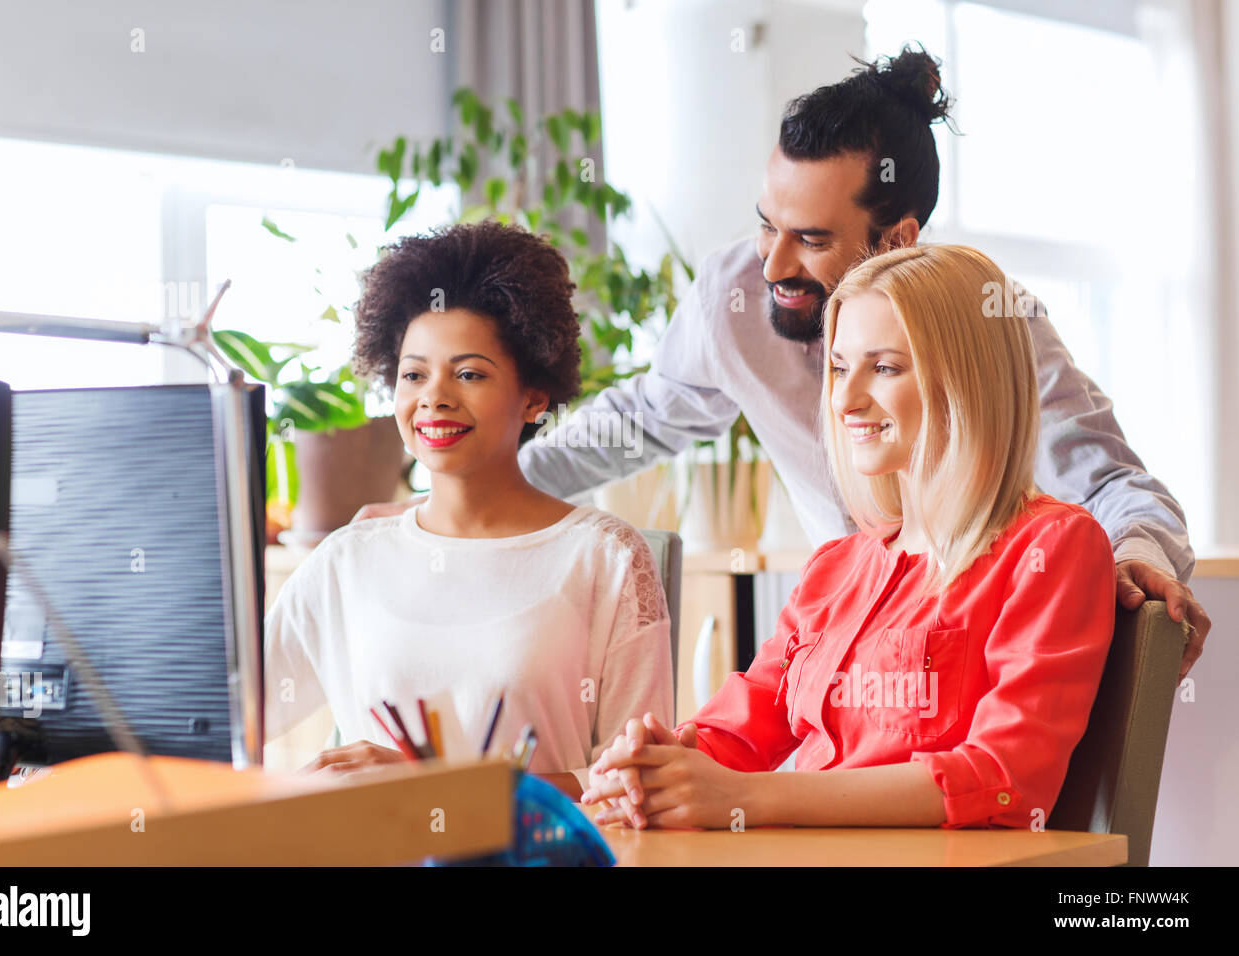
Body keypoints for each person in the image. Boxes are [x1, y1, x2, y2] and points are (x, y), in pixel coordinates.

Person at [352, 47, 1210, 677]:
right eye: (767, 222)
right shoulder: (737, 293)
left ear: (898, 237)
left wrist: (1138, 557)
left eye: (810, 239)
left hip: (971, 659)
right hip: (841, 651)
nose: (772, 264)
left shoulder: (992, 321)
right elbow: (645, 418)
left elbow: (1121, 487)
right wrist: (477, 484)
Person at [581, 244, 1117, 829]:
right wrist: (662, 764)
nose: (842, 399)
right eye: (838, 367)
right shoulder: (836, 566)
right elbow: (740, 728)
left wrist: (747, 798)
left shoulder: (1052, 547)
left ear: (968, 377)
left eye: (883, 367)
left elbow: (1003, 778)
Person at [263, 220, 673, 797]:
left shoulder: (605, 557)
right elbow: (234, 718)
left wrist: (442, 788)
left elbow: (635, 780)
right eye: (414, 374)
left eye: (469, 373)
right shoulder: (348, 559)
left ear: (534, 396)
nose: (435, 395)